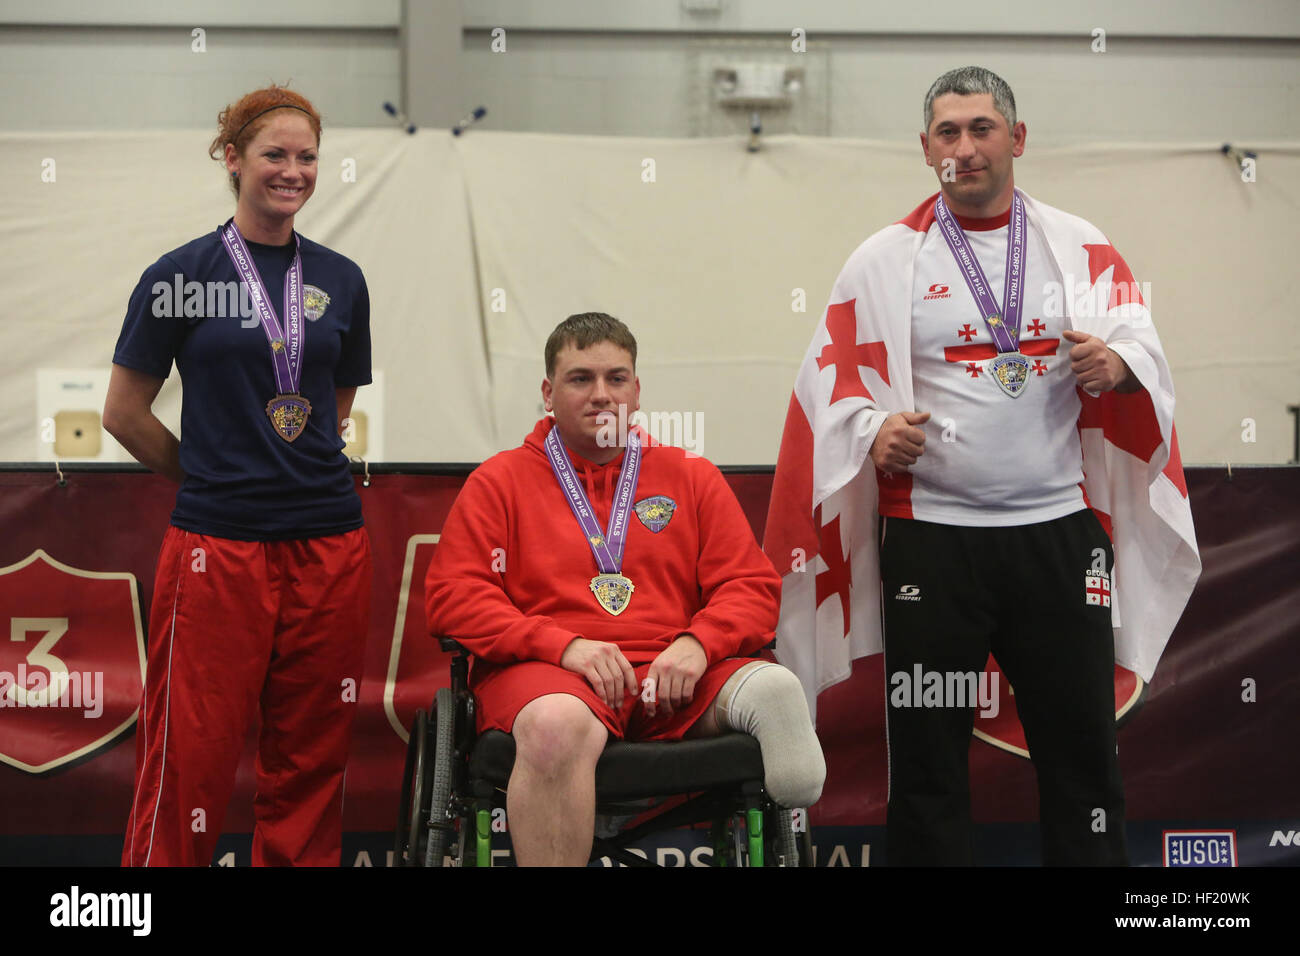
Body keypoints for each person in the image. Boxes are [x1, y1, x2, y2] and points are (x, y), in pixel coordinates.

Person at [766, 66, 1198, 865]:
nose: (964, 148)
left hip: (1058, 540)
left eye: (981, 129)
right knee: (927, 766)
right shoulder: (883, 260)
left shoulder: (1081, 244)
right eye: (947, 133)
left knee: (1084, 757)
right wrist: (874, 433)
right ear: (925, 147)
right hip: (933, 546)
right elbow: (828, 393)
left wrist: (1118, 362)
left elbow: (1143, 339)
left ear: (1017, 139)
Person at [425, 312, 826, 866]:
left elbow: (750, 587)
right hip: (553, 678)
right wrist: (561, 646)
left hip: (678, 679)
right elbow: (455, 596)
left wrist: (698, 643)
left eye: (616, 378)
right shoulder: (500, 481)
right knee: (554, 725)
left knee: (779, 694)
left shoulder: (691, 475)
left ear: (636, 392)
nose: (600, 395)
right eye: (580, 378)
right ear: (547, 391)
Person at [104, 86, 373, 866]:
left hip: (329, 543)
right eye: (274, 155)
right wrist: (209, 477)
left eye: (307, 157)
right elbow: (124, 412)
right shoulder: (179, 275)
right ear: (233, 159)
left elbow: (328, 410)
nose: (293, 171)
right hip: (216, 548)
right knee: (189, 750)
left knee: (312, 755)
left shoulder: (343, 279)